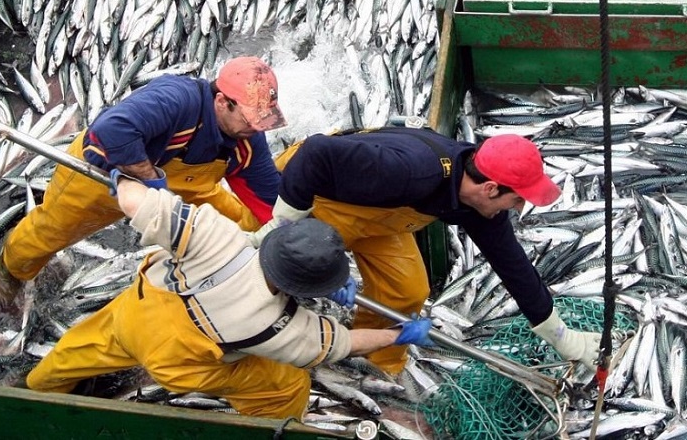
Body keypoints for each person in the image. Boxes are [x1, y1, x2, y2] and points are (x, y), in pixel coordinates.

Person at [26, 172, 433, 419]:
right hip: (177, 363)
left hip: (133, 315)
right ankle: (265, 428)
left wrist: (123, 178)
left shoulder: (214, 234)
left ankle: (35, 391)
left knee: (76, 351)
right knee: (287, 385)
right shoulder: (279, 327)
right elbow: (340, 344)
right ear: (304, 290)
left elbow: (140, 203)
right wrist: (397, 335)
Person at [250, 129, 601, 376]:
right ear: (492, 188)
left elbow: (515, 268)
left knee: (408, 291)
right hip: (311, 193)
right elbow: (316, 152)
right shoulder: (411, 170)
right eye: (518, 198)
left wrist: (562, 336)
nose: (520, 207)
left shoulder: (478, 205)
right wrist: (283, 224)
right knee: (272, 281)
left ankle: (371, 366)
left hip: (375, 218)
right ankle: (261, 350)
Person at [0, 56, 287, 301]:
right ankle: (7, 274)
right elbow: (109, 131)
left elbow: (268, 200)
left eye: (263, 121)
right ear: (222, 102)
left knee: (240, 222)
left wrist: (289, 239)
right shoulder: (176, 99)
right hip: (100, 175)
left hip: (182, 186)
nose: (257, 129)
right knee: (48, 233)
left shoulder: (248, 140)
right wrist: (151, 182)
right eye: (250, 120)